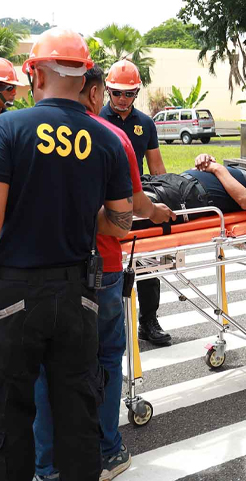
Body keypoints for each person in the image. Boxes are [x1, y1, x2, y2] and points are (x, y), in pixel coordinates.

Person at [0, 28, 134, 481]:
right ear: (86, 77)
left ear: (35, 75)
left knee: (7, 416)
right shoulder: (106, 138)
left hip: (15, 291)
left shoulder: (7, 127)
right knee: (77, 414)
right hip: (78, 294)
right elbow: (121, 224)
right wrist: (79, 215)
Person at [32, 66, 175, 481]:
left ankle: (47, 465)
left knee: (47, 367)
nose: (122, 99)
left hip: (43, 270)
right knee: (106, 359)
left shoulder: (19, 131)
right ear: (96, 93)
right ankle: (108, 452)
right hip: (103, 267)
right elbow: (126, 214)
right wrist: (154, 212)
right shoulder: (111, 138)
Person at [99, 59, 170, 345]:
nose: (123, 99)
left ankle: (148, 321)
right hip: (106, 204)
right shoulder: (97, 120)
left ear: (137, 92)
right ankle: (109, 327)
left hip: (138, 201)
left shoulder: (145, 124)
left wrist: (168, 195)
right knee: (109, 270)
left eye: (129, 94)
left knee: (149, 266)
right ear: (107, 90)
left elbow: (157, 168)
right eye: (117, 93)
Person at [143, 157, 246, 216]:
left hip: (184, 194)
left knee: (129, 206)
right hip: (175, 182)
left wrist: (217, 168)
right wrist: (205, 161)